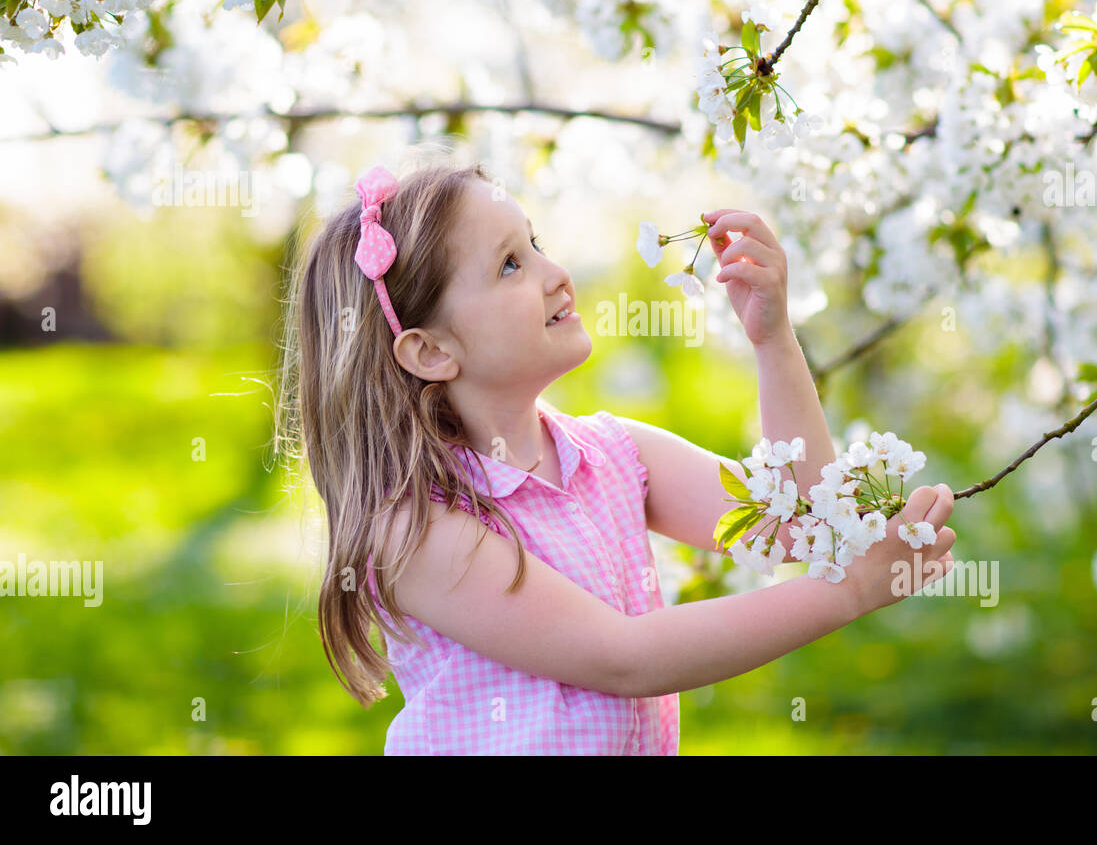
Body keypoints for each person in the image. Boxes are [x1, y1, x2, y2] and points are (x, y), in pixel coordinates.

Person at [275, 153, 957, 755]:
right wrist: (855, 589)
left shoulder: (616, 456)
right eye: (510, 264)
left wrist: (774, 341)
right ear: (431, 350)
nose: (555, 273)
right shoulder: (419, 531)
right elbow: (624, 659)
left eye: (535, 244)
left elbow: (801, 523)